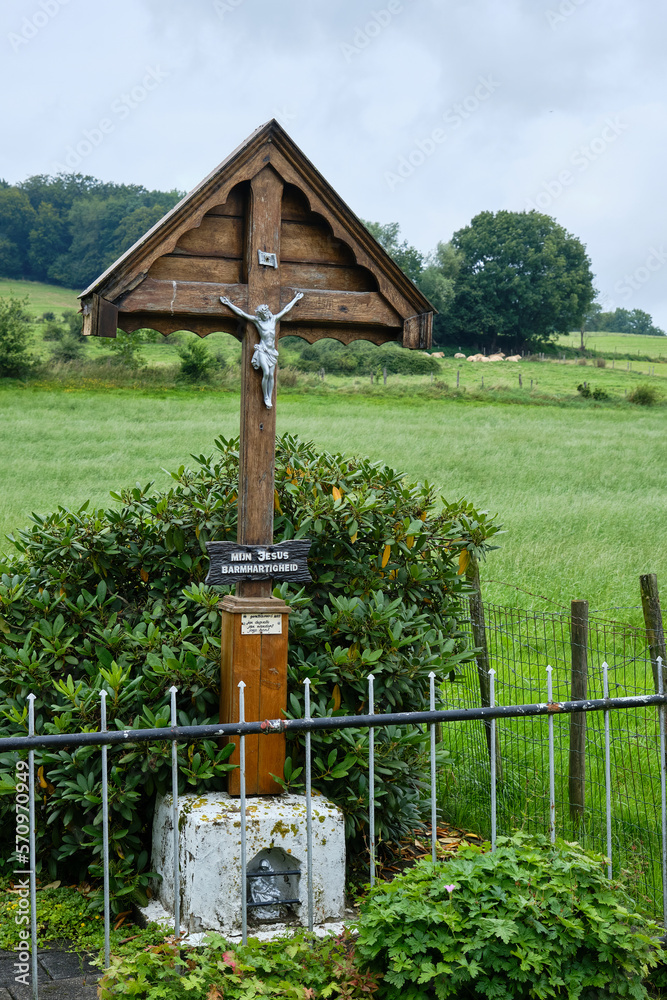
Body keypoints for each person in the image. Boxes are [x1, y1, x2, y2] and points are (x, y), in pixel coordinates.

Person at [220, 292, 304, 407]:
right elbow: (241, 313)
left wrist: (296, 298)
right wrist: (228, 303)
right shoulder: (257, 321)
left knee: (271, 375)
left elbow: (286, 309)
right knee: (266, 373)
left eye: (267, 311)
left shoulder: (274, 319)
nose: (267, 314)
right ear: (261, 315)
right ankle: (265, 397)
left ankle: (269, 396)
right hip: (262, 350)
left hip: (272, 352)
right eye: (264, 313)